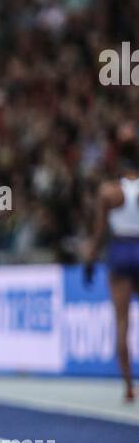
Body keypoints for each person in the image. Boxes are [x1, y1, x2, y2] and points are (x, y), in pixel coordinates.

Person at [85, 130, 139, 401]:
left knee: (122, 322)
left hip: (120, 250)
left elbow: (98, 232)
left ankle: (129, 387)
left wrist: (89, 260)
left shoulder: (109, 192)